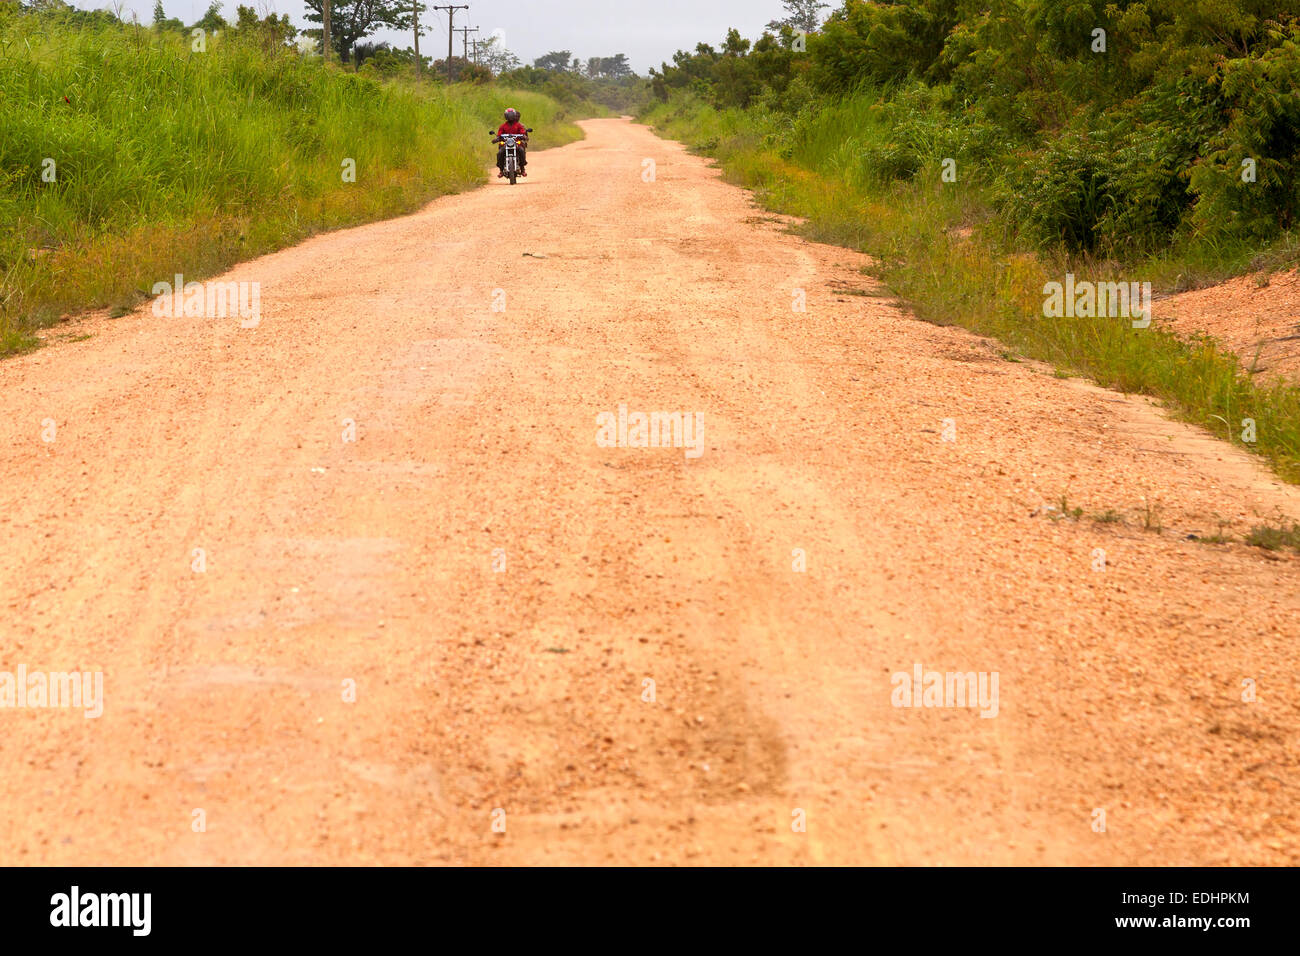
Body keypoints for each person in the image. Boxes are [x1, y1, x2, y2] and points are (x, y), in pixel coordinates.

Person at [493, 108, 529, 178]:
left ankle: (522, 169)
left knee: (521, 151)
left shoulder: (519, 125)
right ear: (506, 116)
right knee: (500, 153)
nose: (510, 117)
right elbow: (499, 135)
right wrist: (496, 139)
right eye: (508, 115)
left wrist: (524, 136)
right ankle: (501, 170)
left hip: (516, 143)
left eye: (511, 115)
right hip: (506, 144)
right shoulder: (502, 126)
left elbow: (522, 132)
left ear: (514, 115)